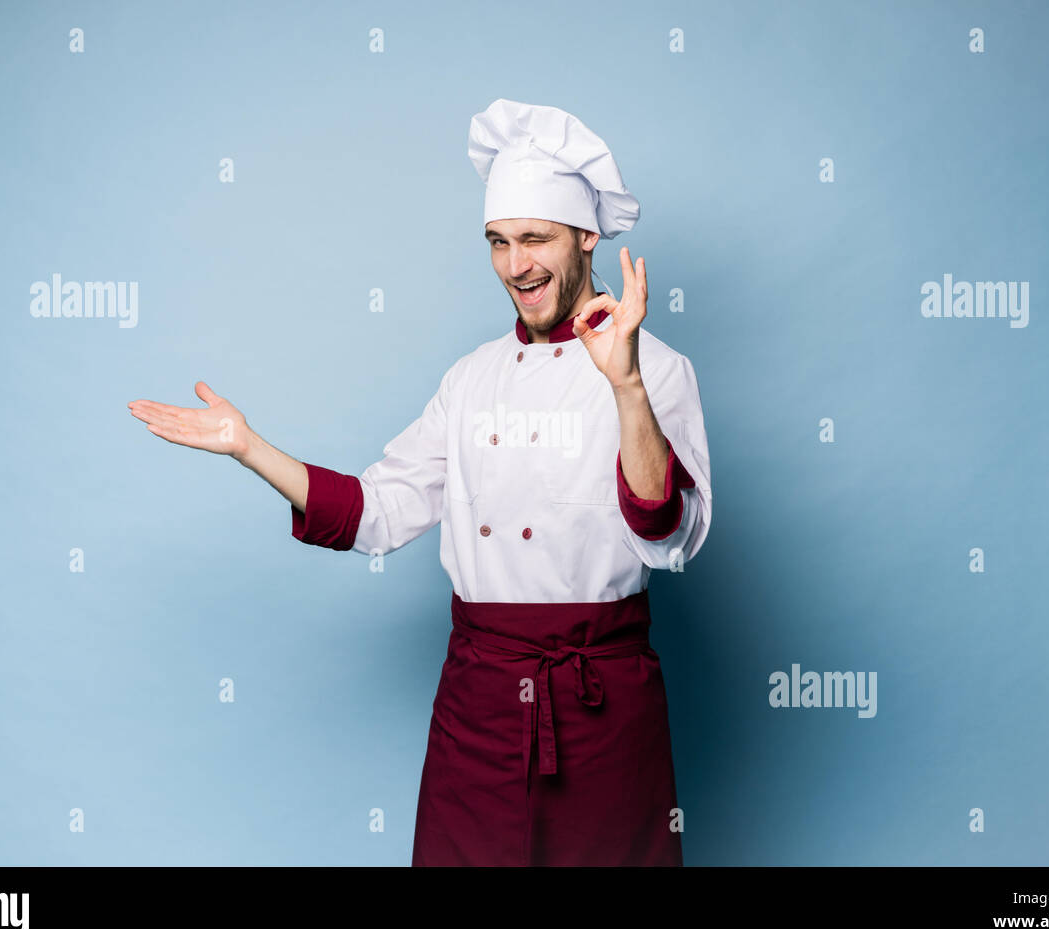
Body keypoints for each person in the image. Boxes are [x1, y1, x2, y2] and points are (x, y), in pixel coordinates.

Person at [127, 98, 712, 866]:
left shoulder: (658, 370)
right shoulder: (469, 381)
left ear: (586, 236)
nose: (516, 265)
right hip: (481, 708)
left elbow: (667, 530)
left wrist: (626, 386)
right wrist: (250, 448)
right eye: (498, 242)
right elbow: (374, 511)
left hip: (603, 707)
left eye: (535, 238)